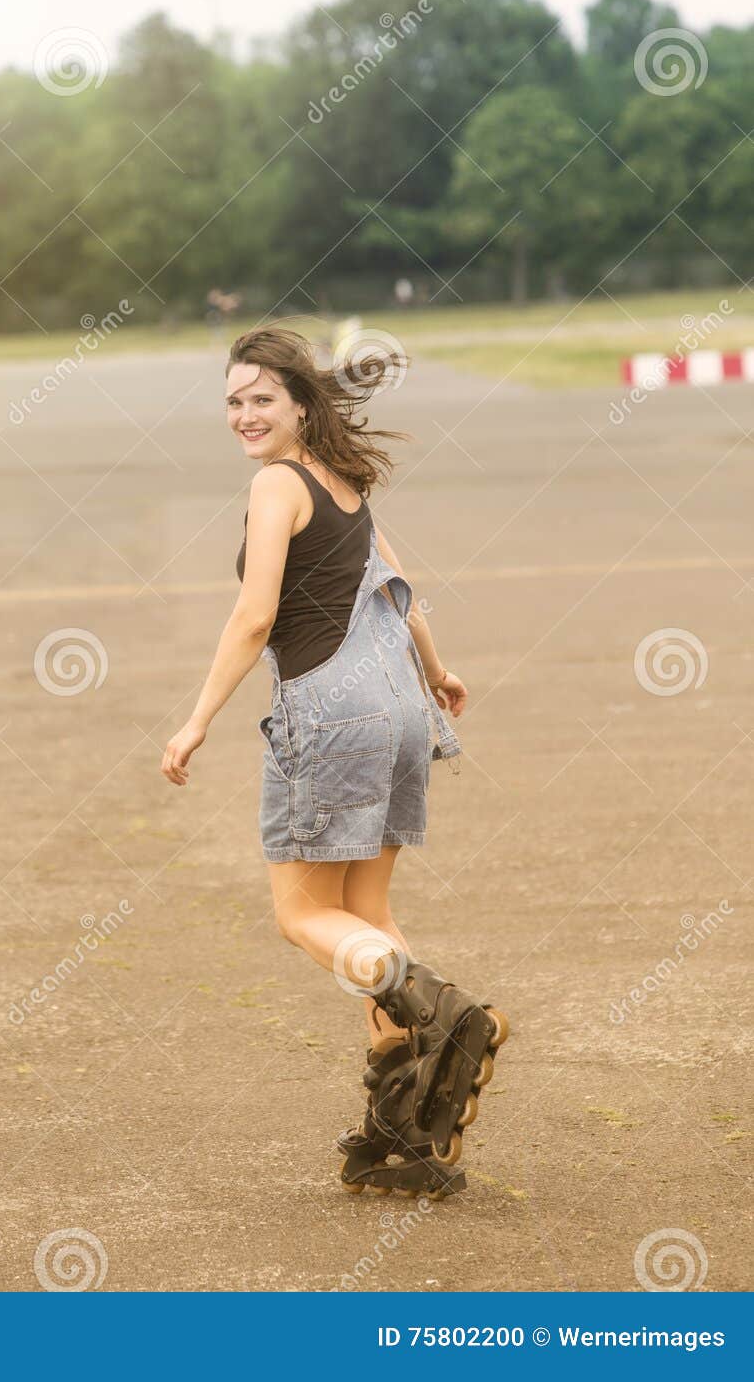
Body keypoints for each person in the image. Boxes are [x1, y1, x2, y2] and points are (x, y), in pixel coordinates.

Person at [160, 326, 507, 1198]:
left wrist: (195, 718)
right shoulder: (344, 480)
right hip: (396, 710)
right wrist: (438, 672)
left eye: (260, 399)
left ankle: (435, 1008)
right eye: (233, 400)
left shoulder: (276, 484)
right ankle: (401, 1122)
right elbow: (401, 590)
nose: (243, 414)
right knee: (363, 910)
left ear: (300, 406)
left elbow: (253, 615)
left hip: (329, 714)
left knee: (299, 914)